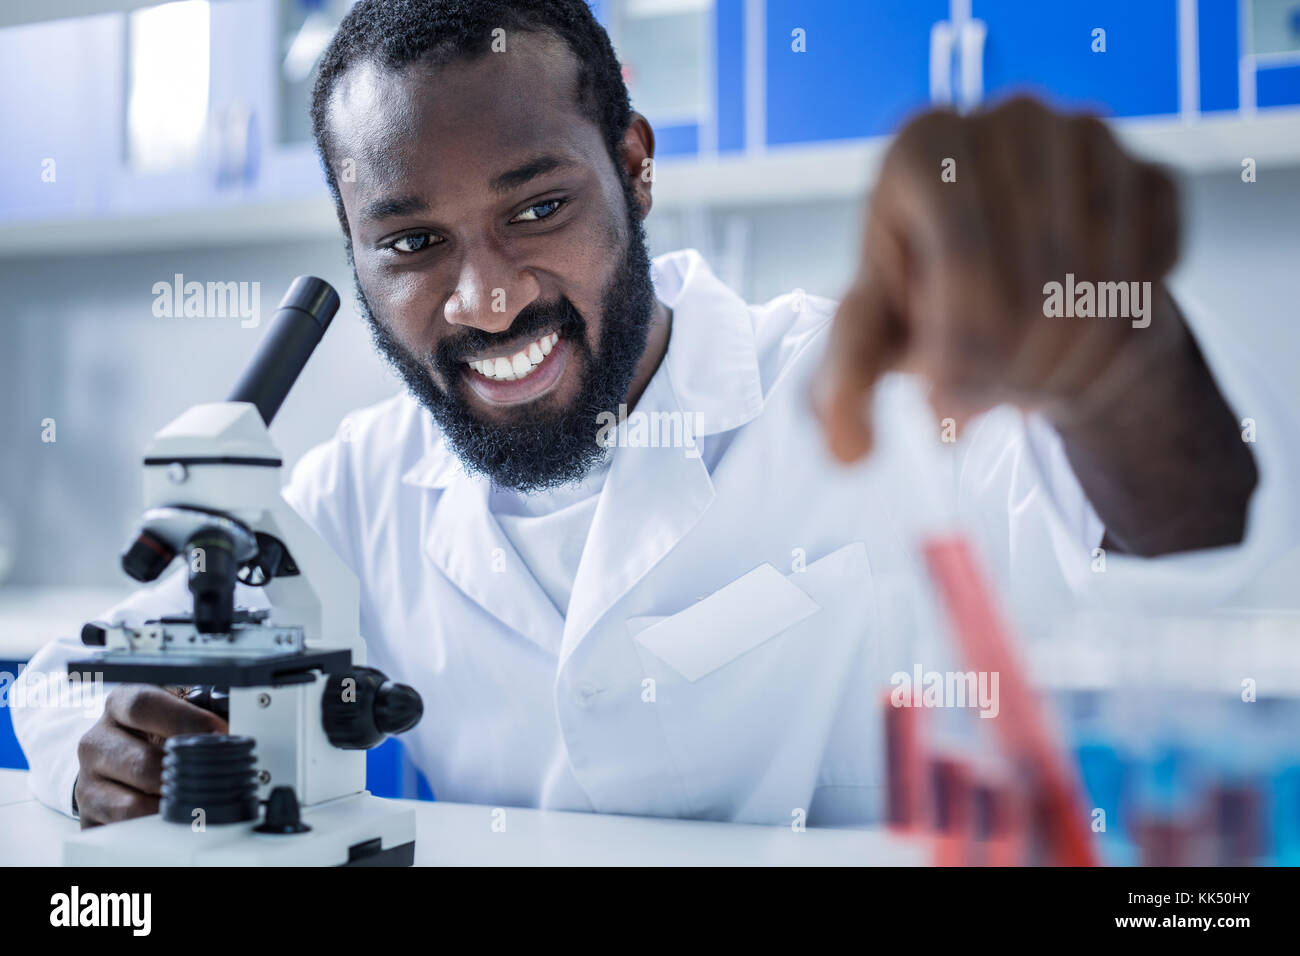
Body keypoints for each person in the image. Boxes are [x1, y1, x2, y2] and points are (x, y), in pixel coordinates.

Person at [13, 0, 1296, 828]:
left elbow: (1204, 544)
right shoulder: (358, 487)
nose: (489, 295)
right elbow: (75, 671)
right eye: (410, 241)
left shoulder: (863, 393)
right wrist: (108, 739)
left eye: (536, 208)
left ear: (632, 166)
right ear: (354, 254)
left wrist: (1117, 351)